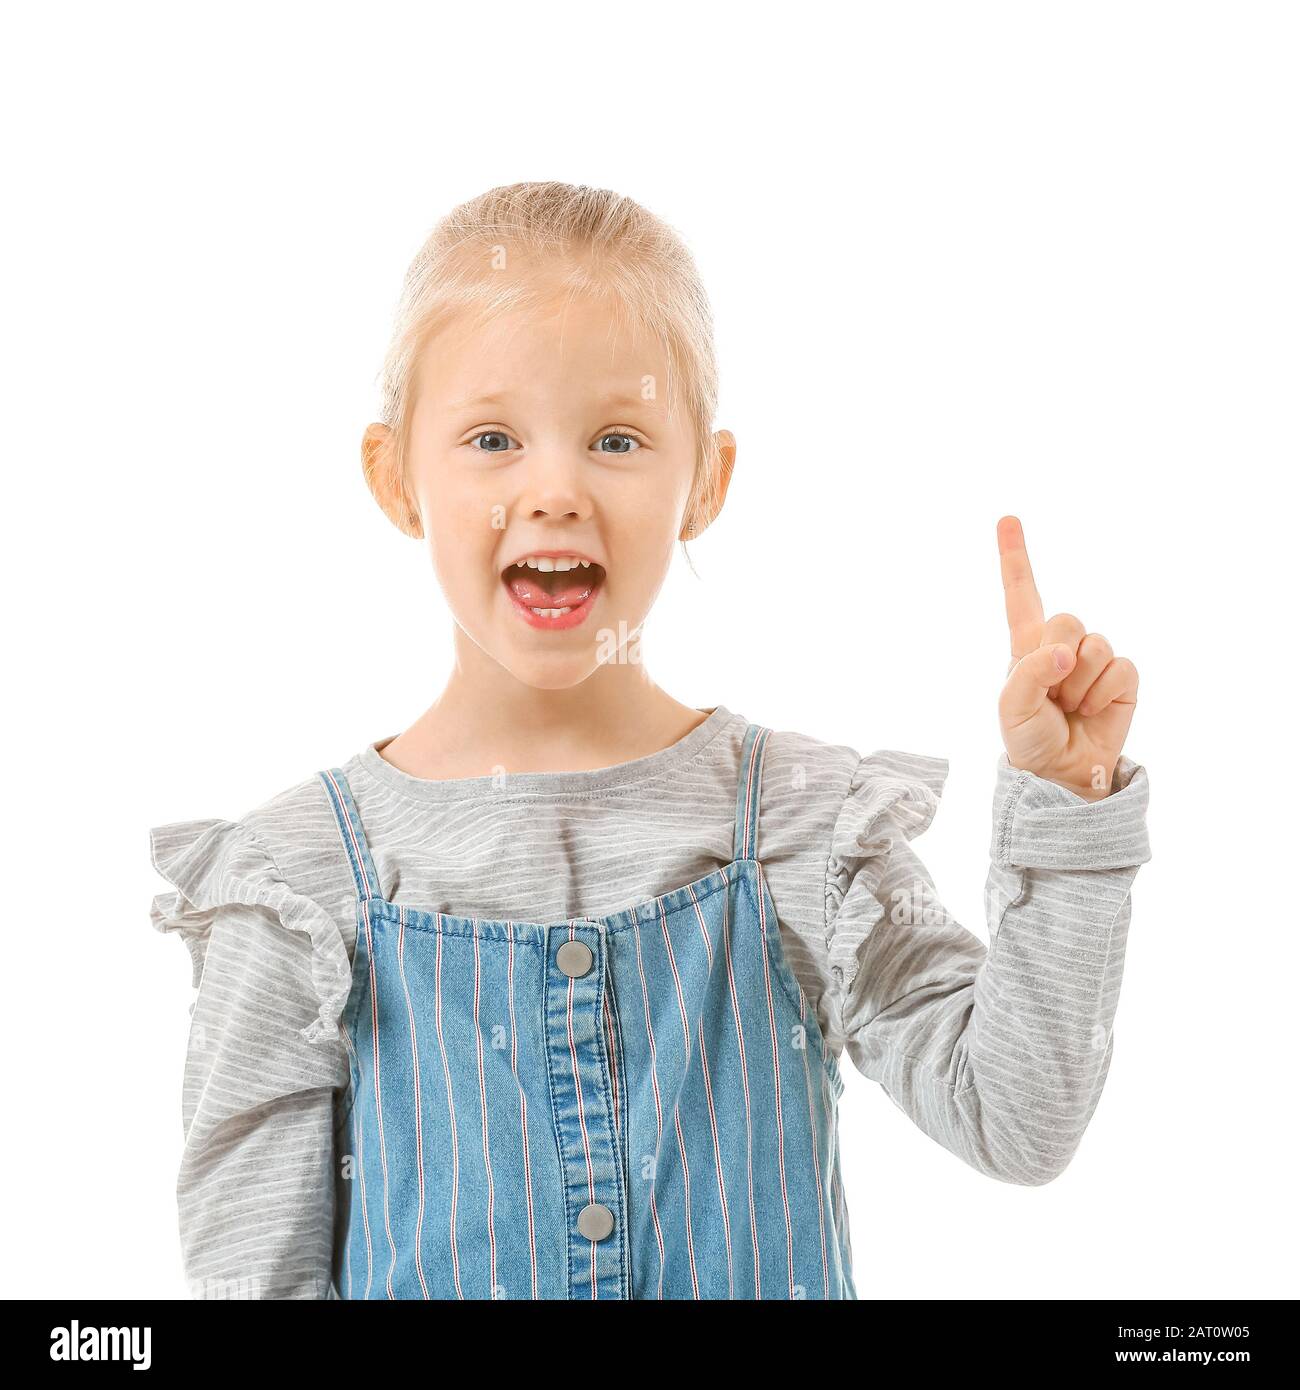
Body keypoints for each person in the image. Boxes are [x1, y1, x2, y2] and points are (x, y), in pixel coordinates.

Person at [149, 180, 1150, 1300]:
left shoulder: (802, 833)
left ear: (704, 480)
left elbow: (1014, 1119)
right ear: (396, 477)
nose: (556, 490)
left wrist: (1067, 802)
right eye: (491, 438)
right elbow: (251, 1276)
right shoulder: (297, 884)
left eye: (616, 438)